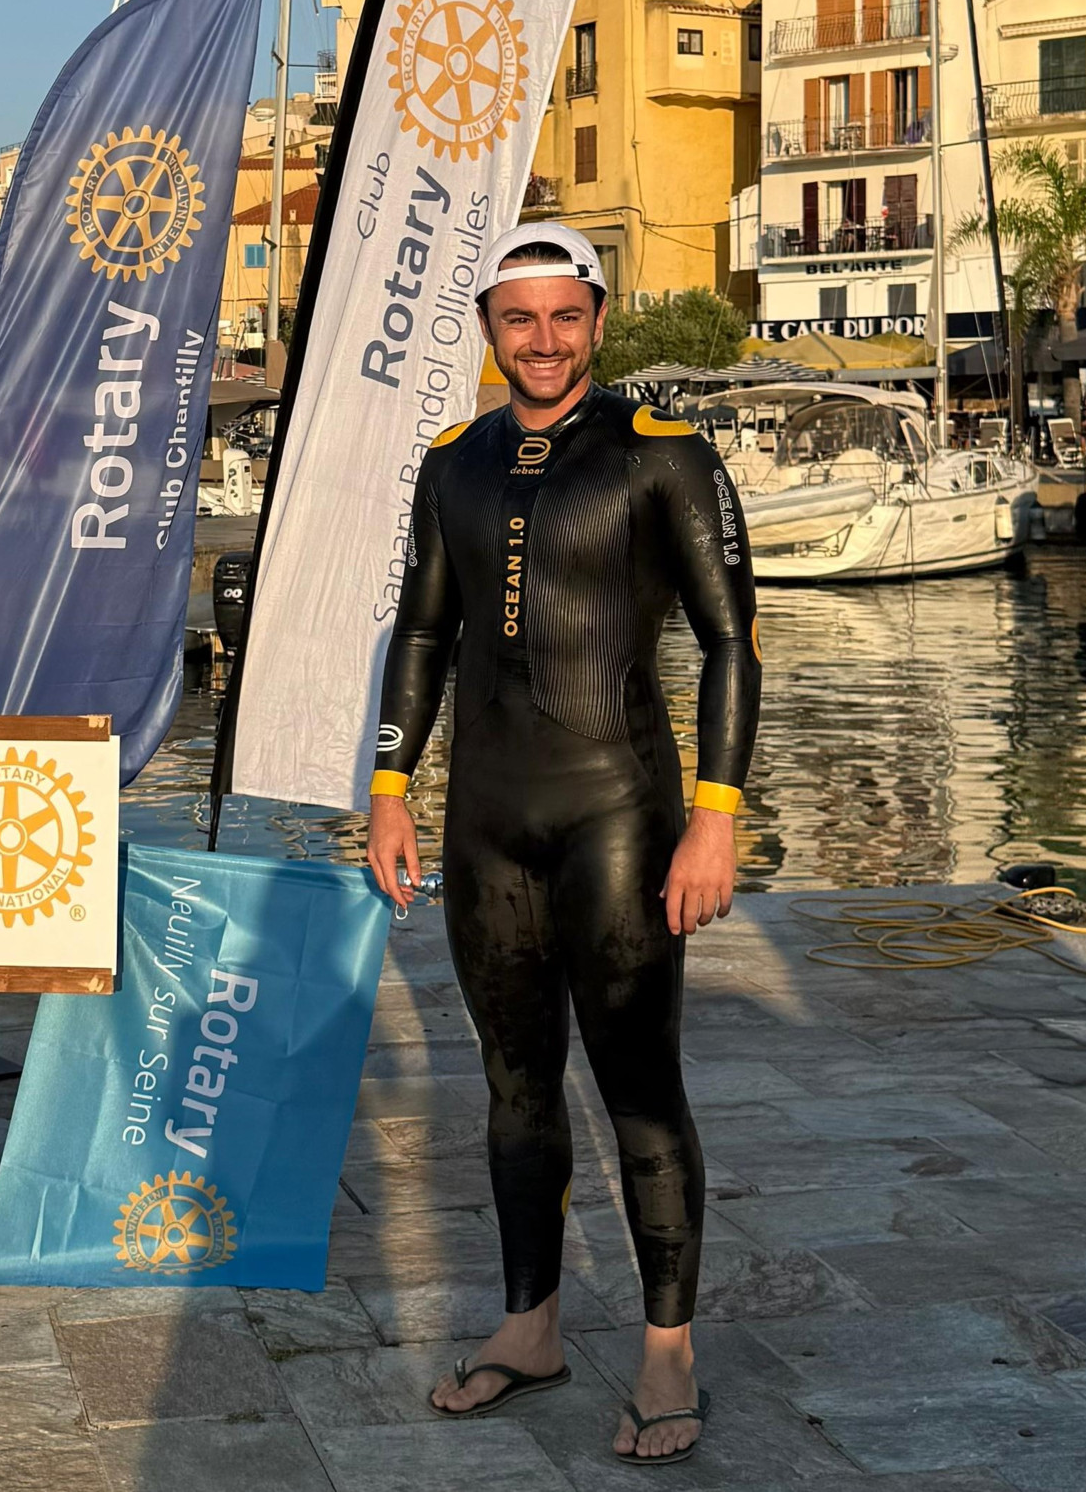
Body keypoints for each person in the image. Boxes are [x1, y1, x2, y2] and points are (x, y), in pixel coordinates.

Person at [365, 222, 761, 1465]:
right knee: (513, 1088)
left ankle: (664, 1349)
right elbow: (421, 633)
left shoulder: (663, 454)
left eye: (563, 316)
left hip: (618, 819)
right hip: (487, 820)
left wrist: (713, 817)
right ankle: (528, 1325)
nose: (541, 340)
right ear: (488, 326)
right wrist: (388, 785)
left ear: (597, 316)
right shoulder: (452, 460)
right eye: (516, 318)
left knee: (639, 1090)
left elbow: (730, 641)